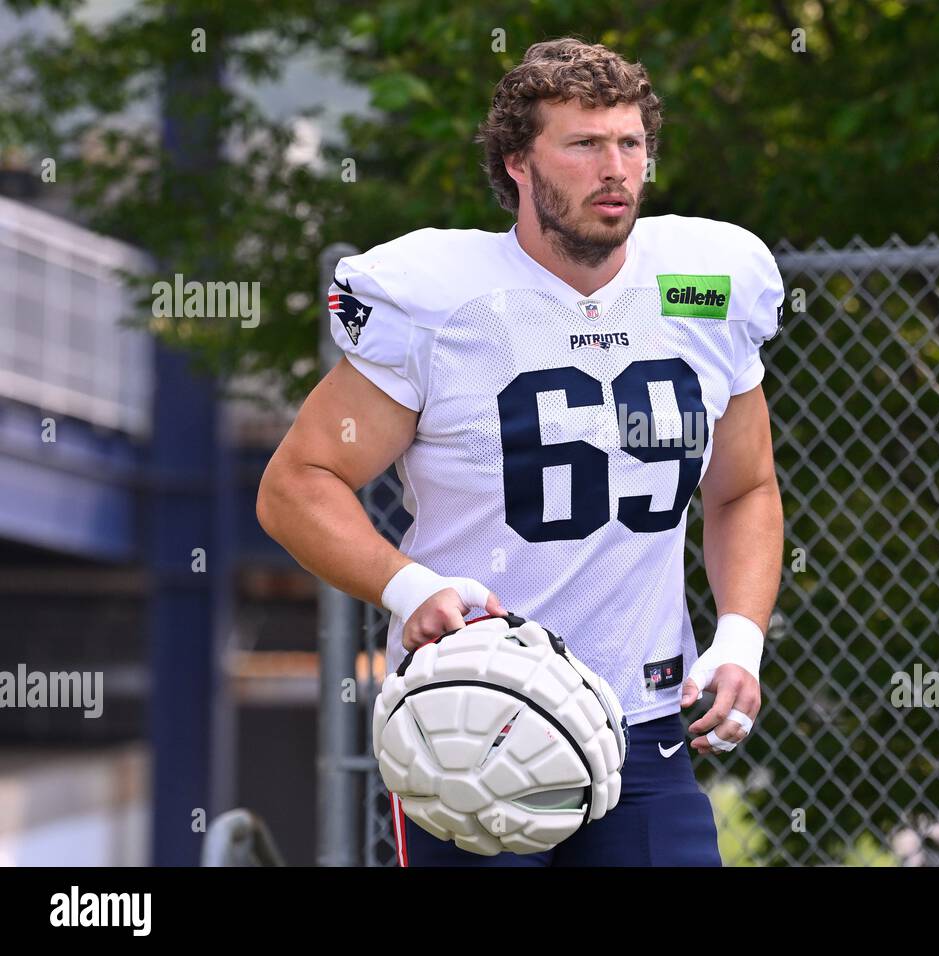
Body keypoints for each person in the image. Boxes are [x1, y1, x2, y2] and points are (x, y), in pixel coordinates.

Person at [257, 37, 785, 866]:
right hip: (470, 726)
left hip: (643, 729)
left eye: (631, 143)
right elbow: (296, 485)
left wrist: (741, 636)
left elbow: (744, 490)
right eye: (582, 144)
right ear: (516, 165)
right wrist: (409, 588)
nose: (615, 169)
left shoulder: (706, 284)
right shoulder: (440, 300)